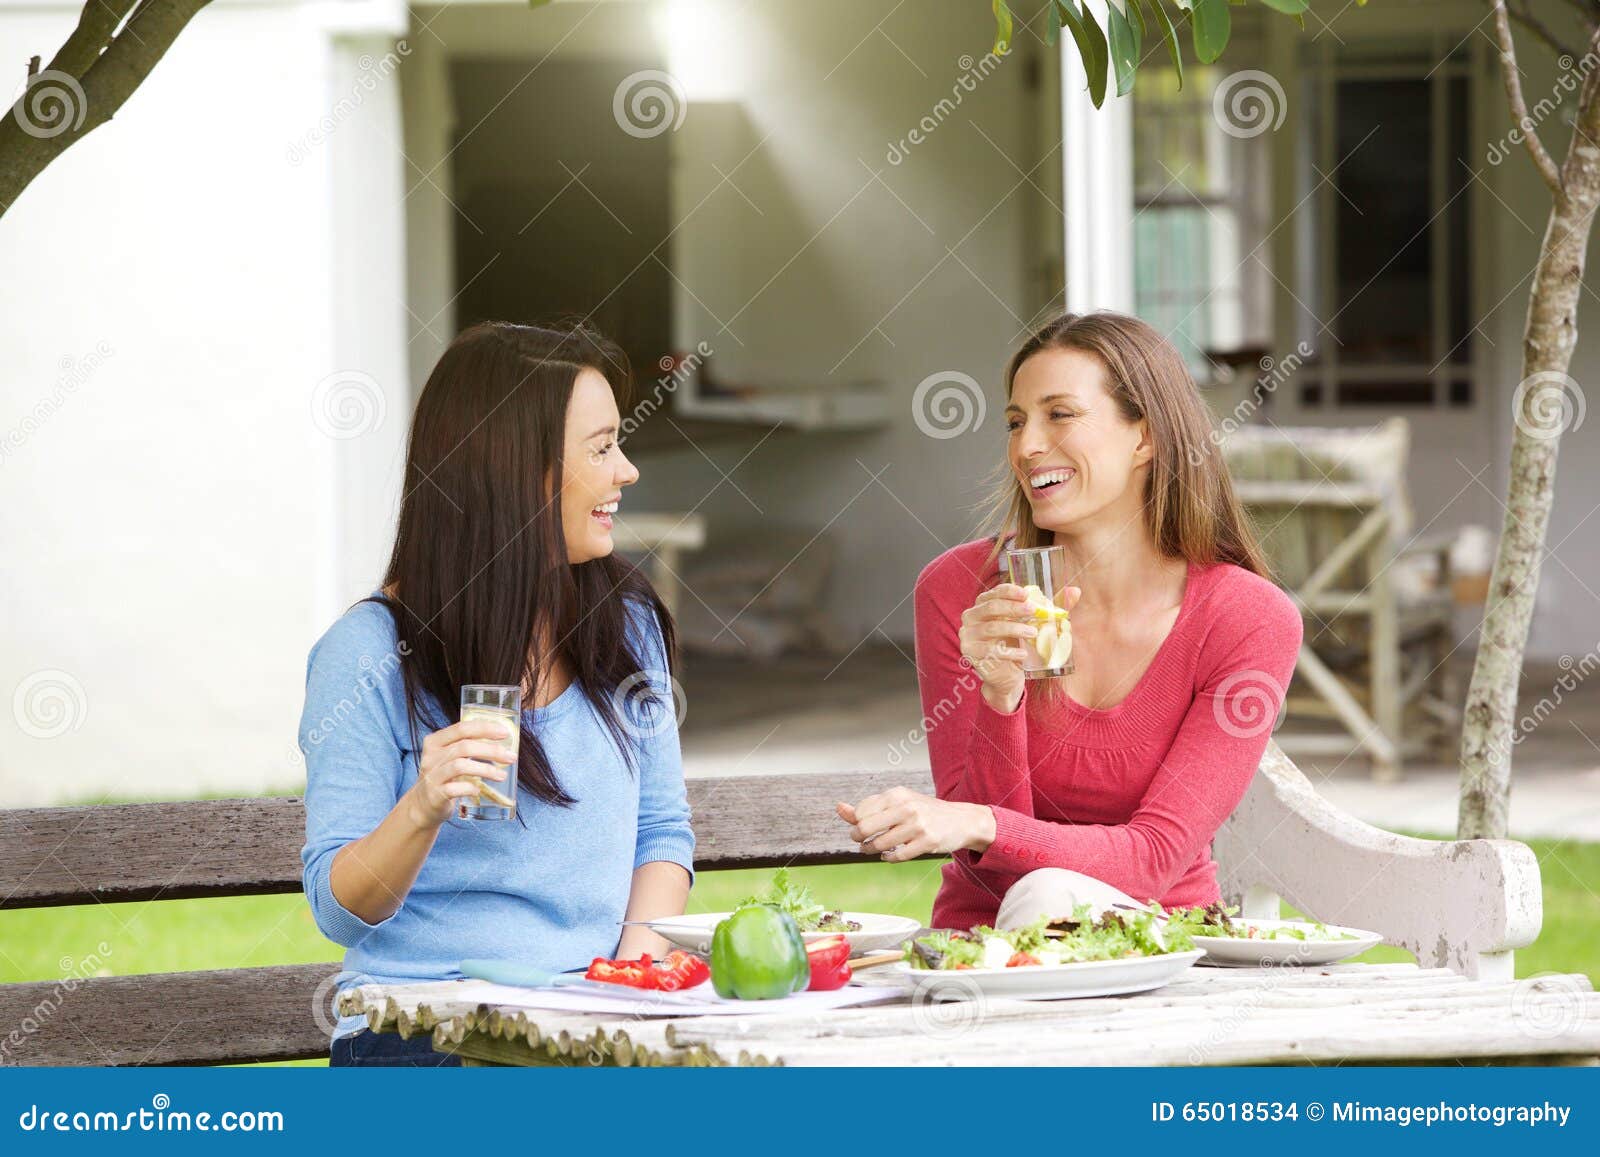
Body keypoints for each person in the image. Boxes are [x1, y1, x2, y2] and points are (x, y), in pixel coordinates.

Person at [299, 321, 695, 1066]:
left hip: (590, 1023)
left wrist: (629, 991)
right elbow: (340, 907)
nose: (628, 470)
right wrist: (421, 807)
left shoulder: (627, 626)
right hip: (426, 1035)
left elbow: (661, 833)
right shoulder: (368, 655)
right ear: (520, 471)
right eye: (602, 447)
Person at [837, 311, 1302, 931]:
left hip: (1161, 951)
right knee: (1036, 897)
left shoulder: (1246, 618)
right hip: (990, 954)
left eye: (1060, 414)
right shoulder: (960, 593)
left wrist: (979, 821)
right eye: (1015, 421)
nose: (1027, 446)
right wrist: (1000, 697)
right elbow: (994, 870)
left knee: (1055, 892)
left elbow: (1154, 857)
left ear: (1148, 437)